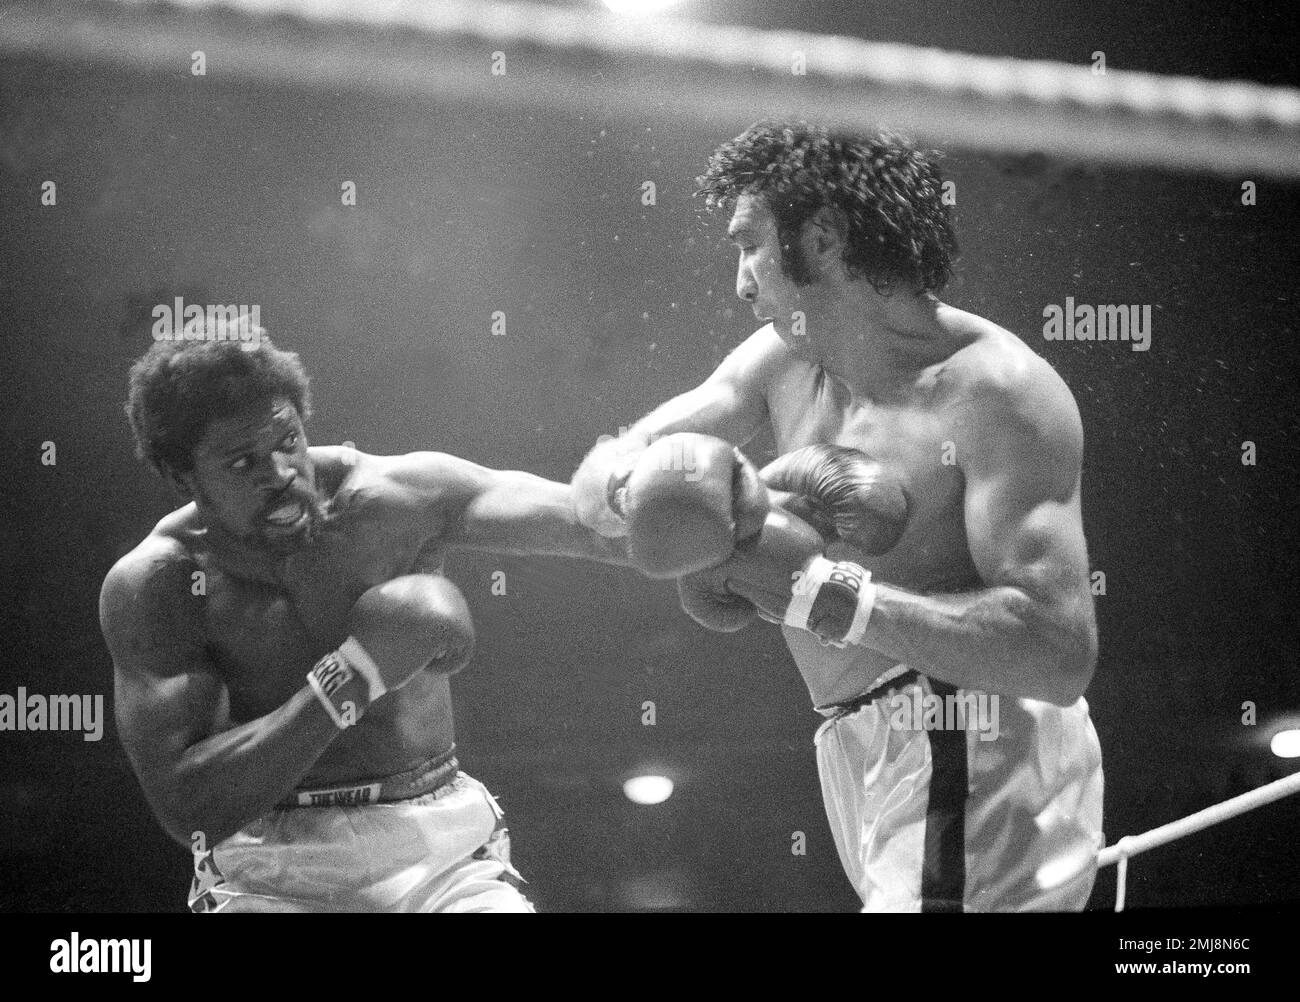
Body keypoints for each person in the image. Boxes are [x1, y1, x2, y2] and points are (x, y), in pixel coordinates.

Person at [571, 123, 1104, 912]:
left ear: (820, 239)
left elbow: (1060, 654)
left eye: (750, 245)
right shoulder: (779, 360)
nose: (742, 283)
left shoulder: (996, 393)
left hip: (968, 734)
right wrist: (646, 491)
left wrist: (825, 593)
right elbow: (610, 463)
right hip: (857, 745)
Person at [100, 321, 624, 912]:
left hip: (440, 846)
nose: (279, 474)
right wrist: (349, 678)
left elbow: (593, 524)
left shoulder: (396, 498)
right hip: (268, 867)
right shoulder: (159, 584)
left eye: (286, 441)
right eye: (242, 463)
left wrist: (694, 513)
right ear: (183, 477)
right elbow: (188, 809)